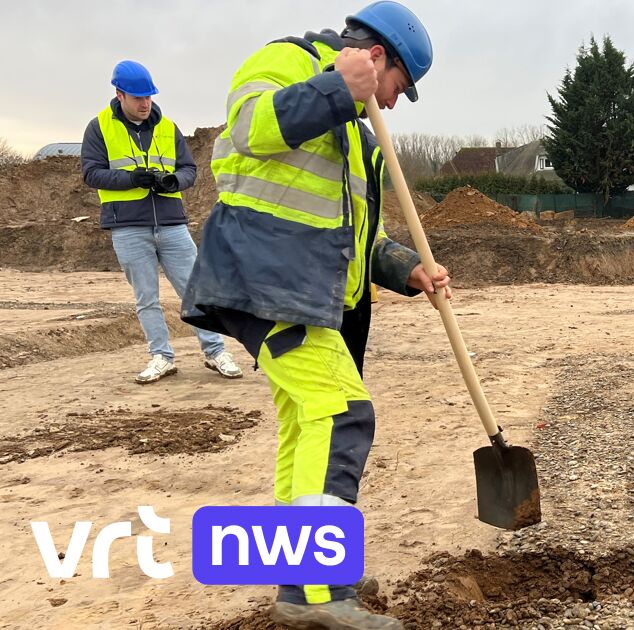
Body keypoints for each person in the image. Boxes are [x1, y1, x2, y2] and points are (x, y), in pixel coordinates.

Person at [181, 2, 446, 628]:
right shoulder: (287, 61)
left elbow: (353, 234)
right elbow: (248, 130)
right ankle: (317, 594)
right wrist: (336, 88)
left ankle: (300, 567)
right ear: (378, 58)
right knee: (343, 411)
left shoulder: (360, 133)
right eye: (400, 87)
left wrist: (406, 268)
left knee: (307, 423)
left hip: (304, 292)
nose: (396, 101)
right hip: (264, 277)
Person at [81, 60, 243, 384]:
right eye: (138, 97)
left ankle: (214, 351)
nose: (145, 103)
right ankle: (161, 356)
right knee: (146, 298)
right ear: (119, 95)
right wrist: (131, 179)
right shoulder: (99, 127)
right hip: (127, 226)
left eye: (149, 97)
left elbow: (189, 170)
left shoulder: (168, 128)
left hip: (171, 223)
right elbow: (91, 172)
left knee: (194, 290)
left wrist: (174, 182)